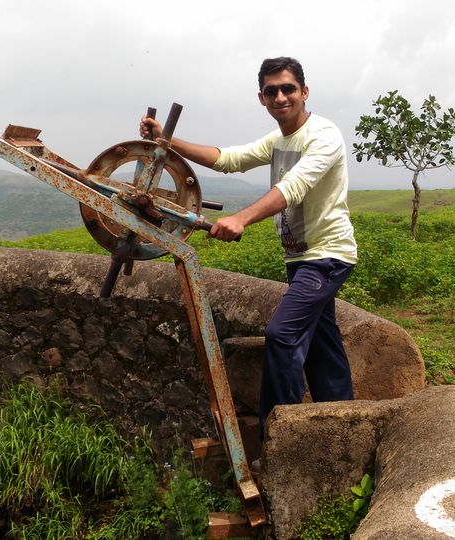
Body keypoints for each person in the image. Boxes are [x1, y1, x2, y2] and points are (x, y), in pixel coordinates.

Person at [140, 56, 358, 433]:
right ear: (262, 98)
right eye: (271, 91)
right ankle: (346, 423)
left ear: (305, 92)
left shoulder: (324, 135)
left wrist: (241, 218)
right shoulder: (280, 139)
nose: (280, 97)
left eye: (288, 89)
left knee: (282, 335)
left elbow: (294, 187)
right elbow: (229, 159)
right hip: (300, 257)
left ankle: (279, 429)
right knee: (323, 347)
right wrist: (167, 141)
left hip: (326, 256)